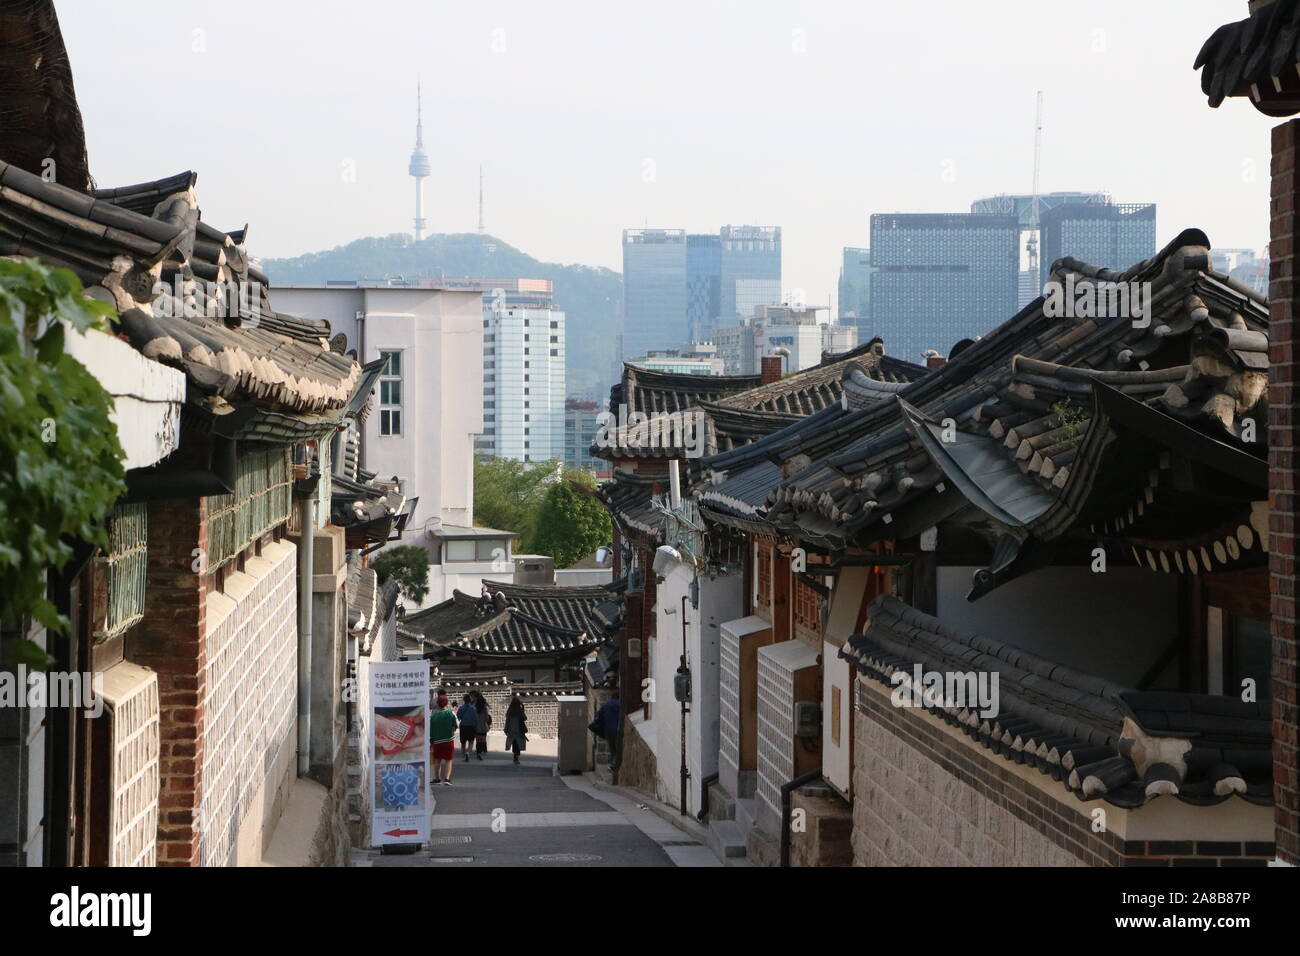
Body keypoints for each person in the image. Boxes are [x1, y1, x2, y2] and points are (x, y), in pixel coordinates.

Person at [429, 693, 458, 785]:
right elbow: (456, 725)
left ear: (437, 704)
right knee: (448, 760)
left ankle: (437, 778)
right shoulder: (451, 713)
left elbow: (431, 730)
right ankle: (447, 779)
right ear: (447, 703)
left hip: (437, 741)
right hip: (448, 740)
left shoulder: (433, 717)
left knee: (437, 760)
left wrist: (431, 742)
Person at [596, 691, 621, 769]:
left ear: (611, 697)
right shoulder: (621, 705)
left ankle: (613, 764)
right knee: (619, 749)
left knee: (612, 749)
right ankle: (615, 765)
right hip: (618, 730)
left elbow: (599, 716)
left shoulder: (606, 705)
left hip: (608, 731)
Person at [503, 694, 528, 764]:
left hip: (511, 730)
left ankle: (515, 755)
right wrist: (523, 709)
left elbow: (507, 721)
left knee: (514, 743)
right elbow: (525, 718)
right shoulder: (520, 711)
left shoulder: (510, 712)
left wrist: (506, 729)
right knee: (518, 743)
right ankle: (516, 756)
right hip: (519, 730)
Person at [456, 694, 478, 761]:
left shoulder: (461, 708)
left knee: (463, 742)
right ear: (470, 700)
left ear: (464, 700)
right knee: (471, 741)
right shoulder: (474, 708)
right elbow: (476, 719)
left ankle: (463, 755)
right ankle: (468, 753)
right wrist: (476, 726)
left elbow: (458, 717)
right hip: (471, 726)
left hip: (463, 726)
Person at [474, 693, 492, 760]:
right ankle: (483, 750)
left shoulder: (474, 708)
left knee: (478, 739)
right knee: (483, 738)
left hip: (476, 726)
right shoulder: (484, 709)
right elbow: (487, 718)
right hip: (483, 726)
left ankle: (478, 752)